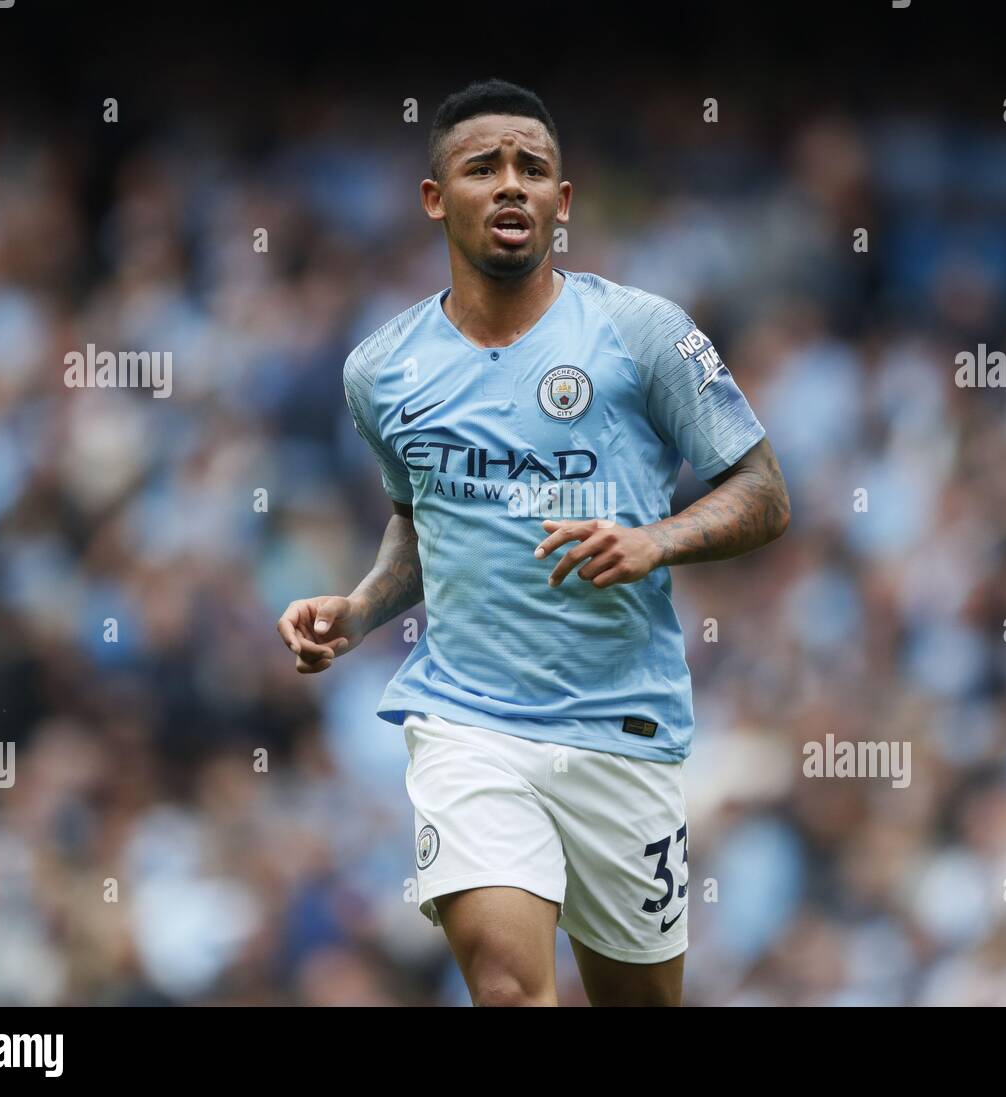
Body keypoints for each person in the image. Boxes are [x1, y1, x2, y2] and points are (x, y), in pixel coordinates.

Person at [277, 78, 790, 1006]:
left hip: (622, 730)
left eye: (534, 168)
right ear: (437, 199)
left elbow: (763, 492)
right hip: (469, 722)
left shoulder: (642, 333)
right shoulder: (381, 369)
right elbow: (422, 523)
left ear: (563, 200)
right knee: (512, 988)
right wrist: (357, 609)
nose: (511, 184)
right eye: (484, 167)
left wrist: (655, 541)